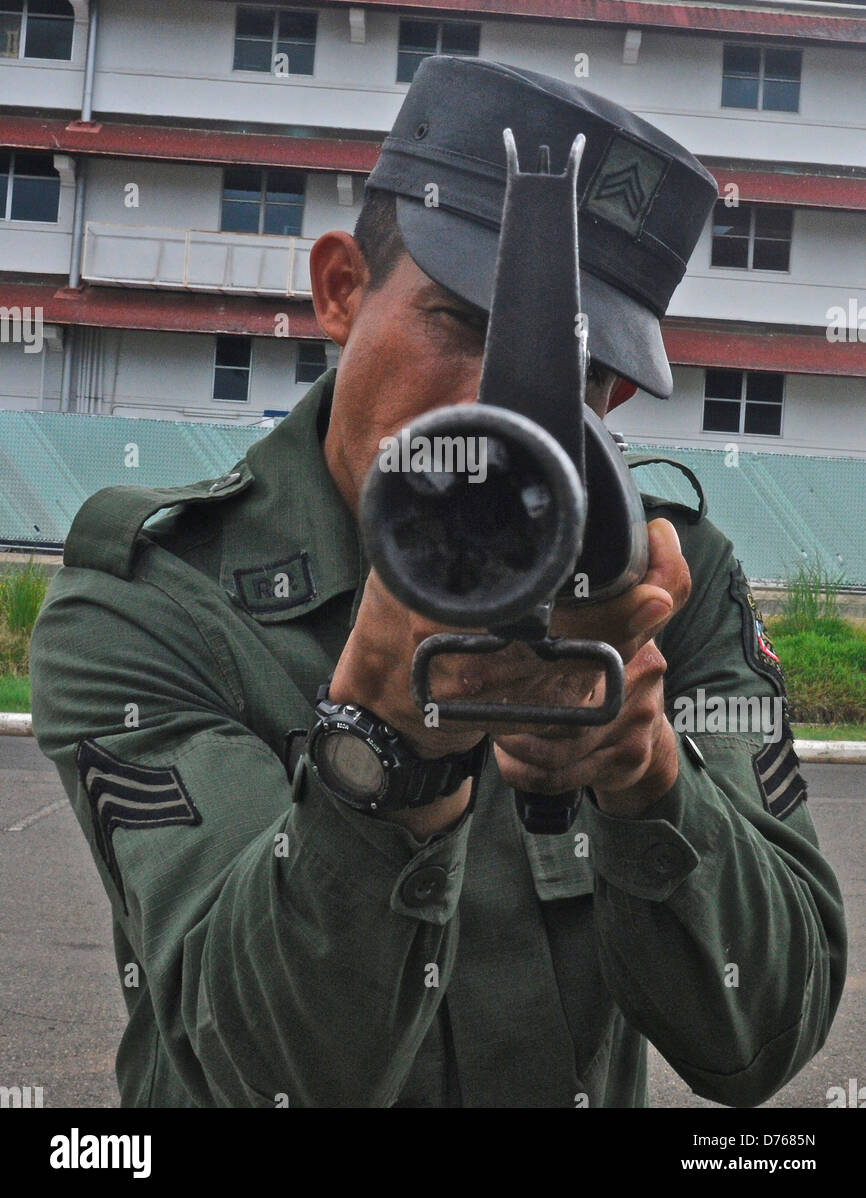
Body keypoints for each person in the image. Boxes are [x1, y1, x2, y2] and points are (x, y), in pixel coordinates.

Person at [30, 56, 846, 1109]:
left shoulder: (660, 584)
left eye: (578, 373)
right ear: (337, 290)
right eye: (463, 323)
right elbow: (255, 1076)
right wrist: (380, 751)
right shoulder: (153, 599)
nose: (508, 404)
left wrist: (646, 779)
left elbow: (760, 1037)